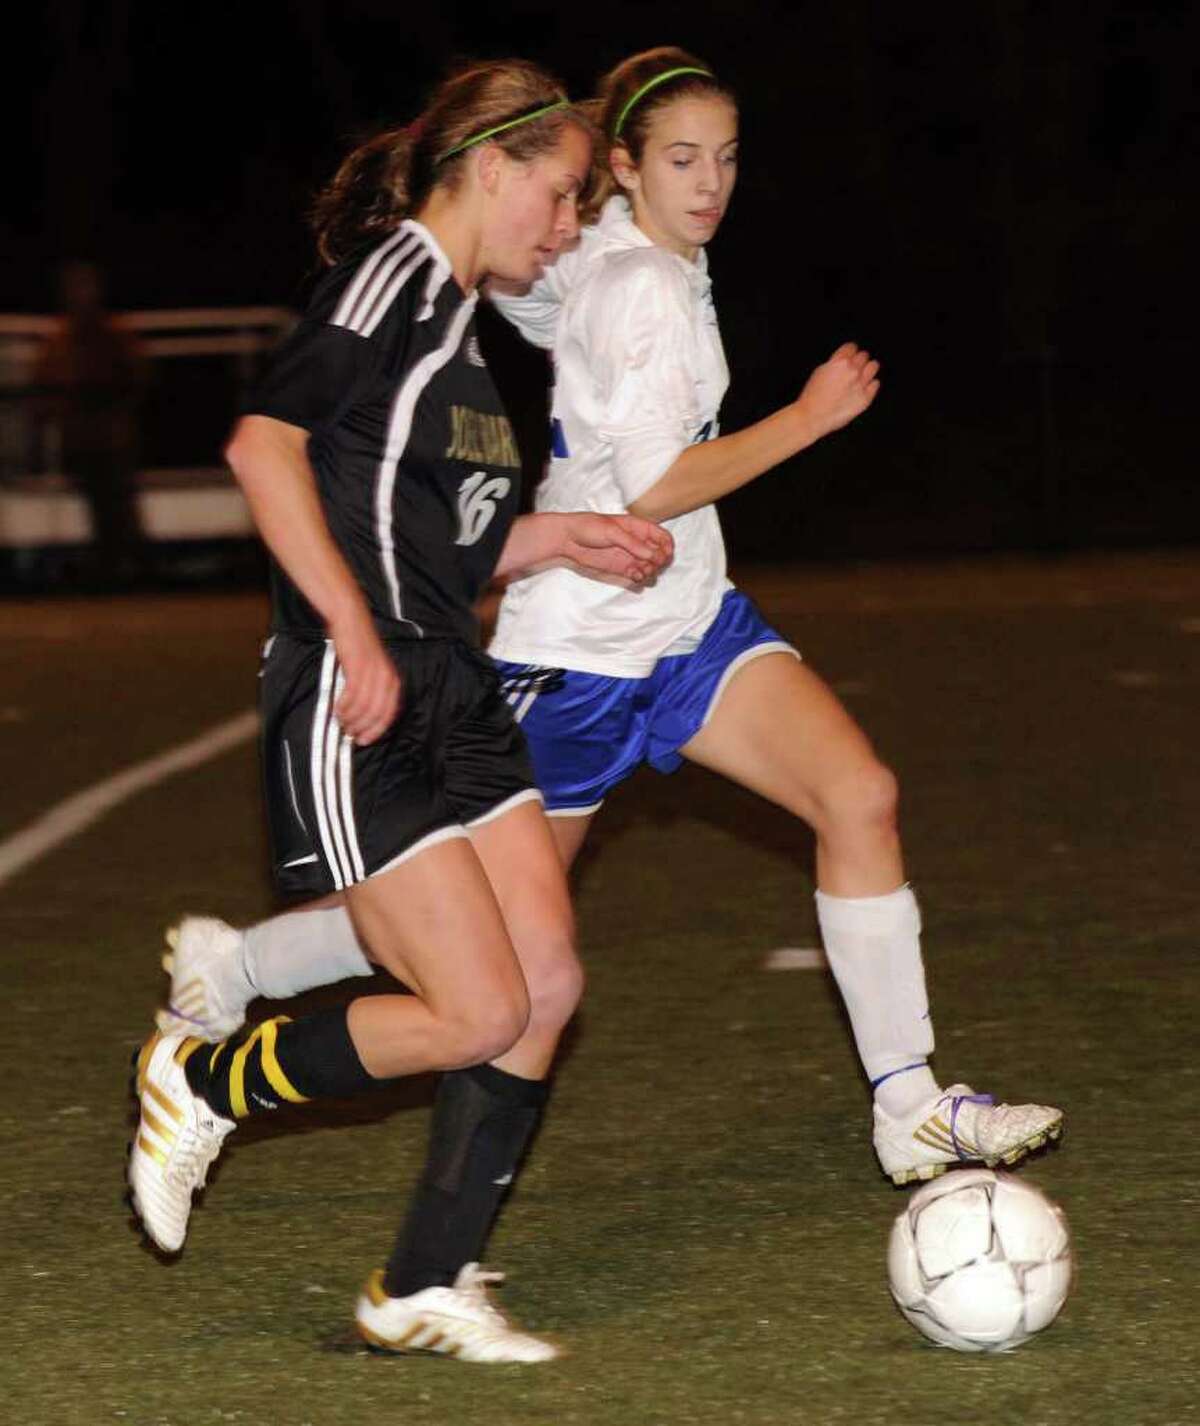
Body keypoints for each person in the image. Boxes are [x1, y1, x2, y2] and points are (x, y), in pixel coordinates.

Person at [156, 50, 1062, 1191]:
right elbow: (654, 488)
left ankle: (910, 1104)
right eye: (681, 157)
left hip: (685, 626)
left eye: (728, 157)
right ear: (625, 167)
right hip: (577, 652)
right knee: (479, 931)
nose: (711, 181)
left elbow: (527, 277)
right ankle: (244, 972)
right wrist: (810, 418)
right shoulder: (637, 288)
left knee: (858, 793)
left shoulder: (629, 259)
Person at [127, 59, 673, 1366]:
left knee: (544, 986)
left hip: (455, 689)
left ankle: (421, 1283)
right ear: (489, 167)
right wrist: (355, 632)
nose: (566, 225)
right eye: (557, 194)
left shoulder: (462, 342)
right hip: (355, 691)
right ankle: (203, 1078)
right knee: (478, 1007)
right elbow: (262, 447)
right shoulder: (395, 280)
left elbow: (440, 550)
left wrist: (565, 539)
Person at [34, 260, 148, 583]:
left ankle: (131, 566)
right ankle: (108, 565)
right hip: (81, 436)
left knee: (119, 502)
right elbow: (45, 383)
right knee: (98, 504)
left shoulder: (114, 335)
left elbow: (137, 377)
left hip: (113, 435)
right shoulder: (61, 339)